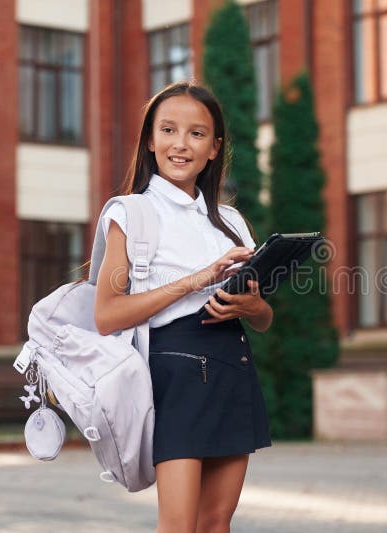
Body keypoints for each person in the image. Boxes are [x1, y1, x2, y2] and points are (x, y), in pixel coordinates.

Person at [92, 80, 273, 533]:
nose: (180, 144)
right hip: (174, 374)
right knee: (178, 525)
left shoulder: (230, 222)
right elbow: (107, 314)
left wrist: (251, 306)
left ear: (214, 148)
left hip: (234, 364)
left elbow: (266, 319)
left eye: (196, 134)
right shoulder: (130, 213)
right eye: (168, 130)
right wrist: (199, 279)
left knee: (217, 522)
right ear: (150, 141)